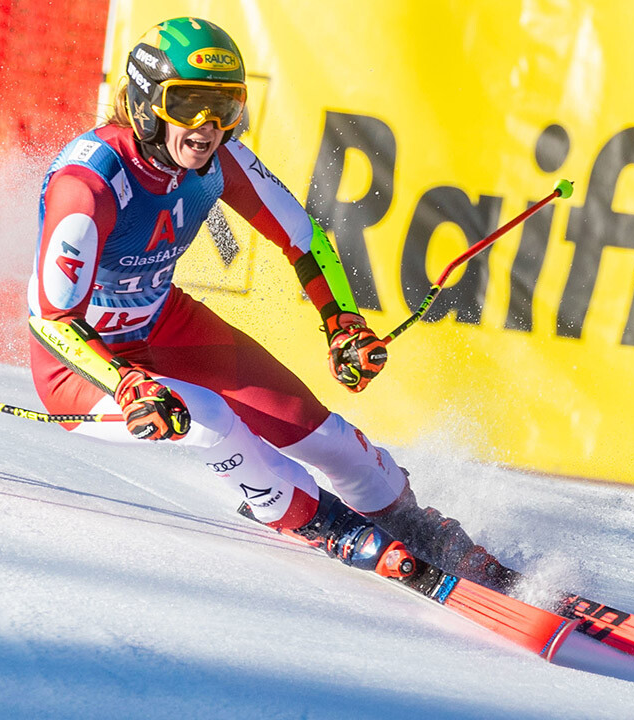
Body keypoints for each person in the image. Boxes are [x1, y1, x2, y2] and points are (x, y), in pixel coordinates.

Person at [26, 17, 512, 588]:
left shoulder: (219, 162)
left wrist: (341, 324)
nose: (208, 127)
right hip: (81, 365)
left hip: (162, 324)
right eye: (188, 104)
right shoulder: (90, 186)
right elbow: (51, 322)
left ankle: (419, 526)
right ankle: (324, 524)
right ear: (144, 101)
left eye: (225, 107)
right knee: (206, 421)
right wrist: (129, 385)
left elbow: (302, 237)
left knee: (322, 434)